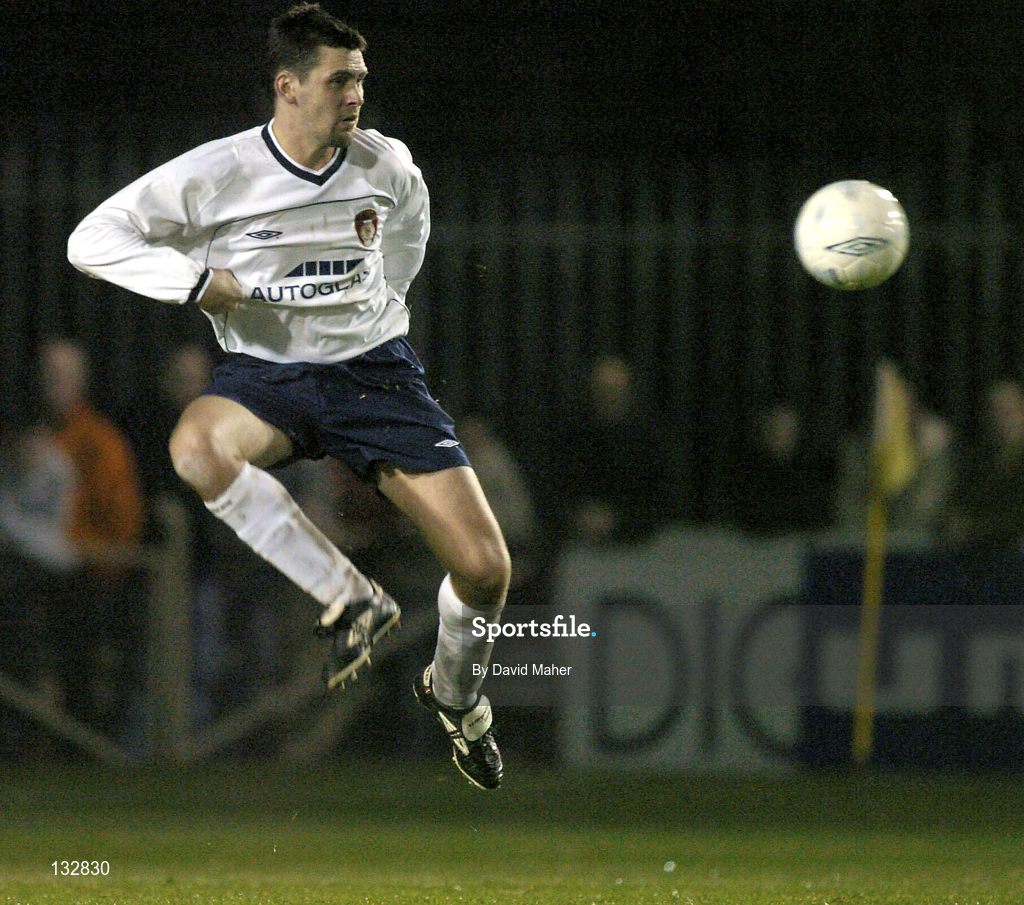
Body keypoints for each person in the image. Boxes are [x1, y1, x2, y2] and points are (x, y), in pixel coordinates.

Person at [67, 2, 507, 789]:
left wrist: (378, 314)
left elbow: (408, 237)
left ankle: (456, 693)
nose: (356, 95)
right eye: (340, 80)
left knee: (485, 570)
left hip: (376, 376)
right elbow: (91, 239)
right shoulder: (218, 173)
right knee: (195, 447)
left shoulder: (387, 166)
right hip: (269, 380)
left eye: (362, 79)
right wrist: (197, 281)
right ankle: (349, 595)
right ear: (288, 87)